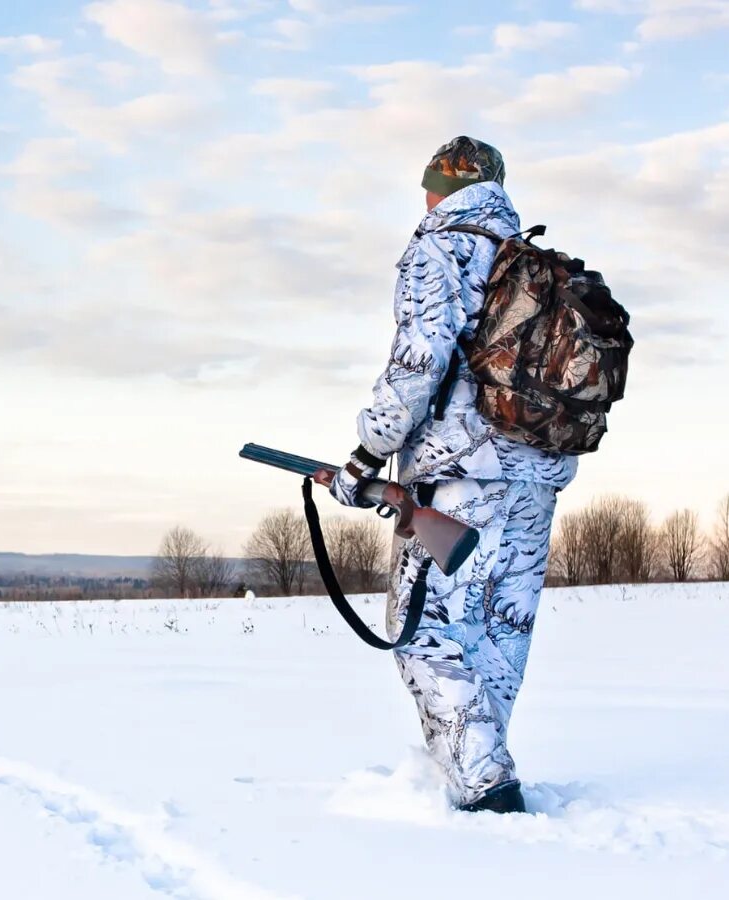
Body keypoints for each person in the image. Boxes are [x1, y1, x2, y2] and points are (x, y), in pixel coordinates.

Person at [316, 136, 576, 814]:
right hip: (537, 470)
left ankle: (486, 789)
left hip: (459, 473)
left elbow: (420, 360)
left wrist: (369, 452)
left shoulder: (441, 246)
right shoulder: (529, 259)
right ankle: (482, 773)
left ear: (440, 188)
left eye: (429, 188)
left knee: (424, 633)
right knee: (499, 632)